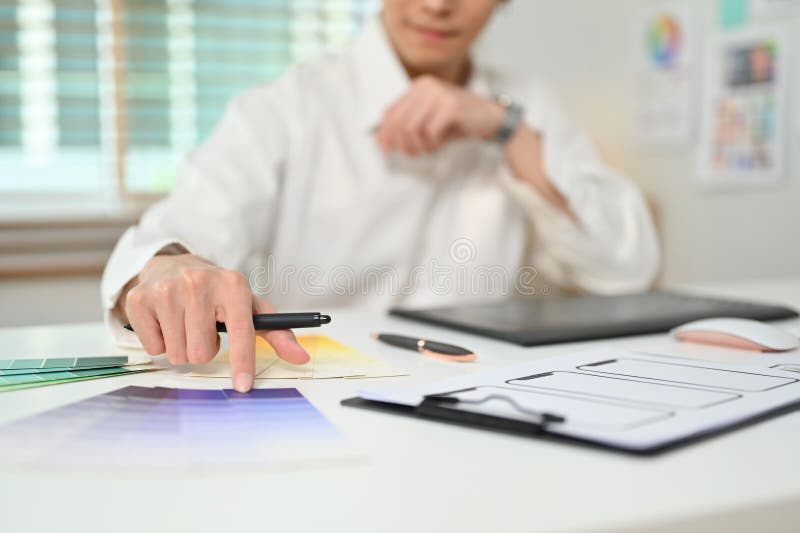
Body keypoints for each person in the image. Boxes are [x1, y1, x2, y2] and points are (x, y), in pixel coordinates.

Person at [102, 0, 660, 392]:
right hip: (318, 396)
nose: (438, 5)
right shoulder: (287, 107)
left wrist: (505, 128)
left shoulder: (527, 104)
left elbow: (626, 269)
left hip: (482, 393)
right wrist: (165, 268)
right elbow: (168, 240)